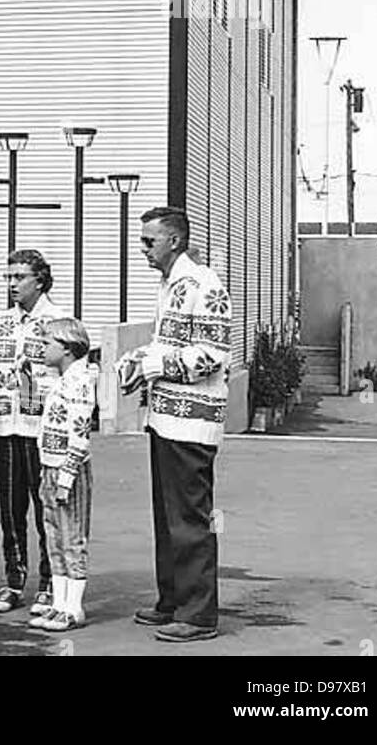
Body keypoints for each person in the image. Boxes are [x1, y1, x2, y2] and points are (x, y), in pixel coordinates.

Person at [116, 206, 231, 644]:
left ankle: (199, 615)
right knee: (168, 518)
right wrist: (139, 361)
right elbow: (167, 346)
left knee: (189, 518)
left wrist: (152, 363)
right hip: (166, 417)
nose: (143, 249)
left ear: (174, 241)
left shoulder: (204, 285)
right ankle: (172, 600)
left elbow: (212, 355)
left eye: (149, 241)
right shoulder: (172, 285)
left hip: (192, 422)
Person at [0, 248, 62, 616]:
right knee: (10, 510)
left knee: (45, 508)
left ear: (39, 280)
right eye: (8, 277)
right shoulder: (0, 323)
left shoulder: (59, 321)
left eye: (19, 277)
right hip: (5, 426)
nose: (12, 284)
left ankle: (49, 582)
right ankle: (14, 581)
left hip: (40, 429)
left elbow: (70, 375)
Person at [30, 317, 99, 633]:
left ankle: (74, 607)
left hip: (67, 471)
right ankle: (59, 604)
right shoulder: (62, 379)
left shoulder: (81, 382)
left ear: (68, 349)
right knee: (54, 536)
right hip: (50, 466)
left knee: (72, 537)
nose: (42, 348)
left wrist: (67, 476)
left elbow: (81, 434)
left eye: (48, 343)